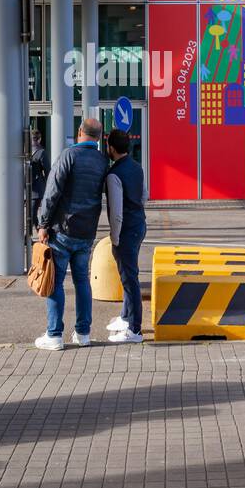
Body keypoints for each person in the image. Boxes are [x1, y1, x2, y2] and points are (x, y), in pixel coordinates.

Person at [33, 117, 108, 351]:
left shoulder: (68, 156)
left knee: (55, 282)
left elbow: (52, 192)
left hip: (63, 230)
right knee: (82, 282)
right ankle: (83, 333)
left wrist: (43, 224)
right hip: (87, 231)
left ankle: (55, 335)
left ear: (79, 132)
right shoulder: (102, 161)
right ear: (97, 138)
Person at [103, 129, 146, 343]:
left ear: (111, 148)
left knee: (129, 279)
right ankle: (126, 317)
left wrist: (114, 237)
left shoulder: (113, 174)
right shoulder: (138, 167)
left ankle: (135, 330)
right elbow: (143, 195)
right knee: (129, 275)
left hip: (126, 230)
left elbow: (116, 212)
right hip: (139, 224)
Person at [28, 131, 48, 226]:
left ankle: (36, 233)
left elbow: (47, 170)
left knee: (31, 214)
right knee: (31, 214)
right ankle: (38, 233)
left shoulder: (41, 152)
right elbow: (48, 170)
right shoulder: (25, 150)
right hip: (28, 188)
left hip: (35, 189)